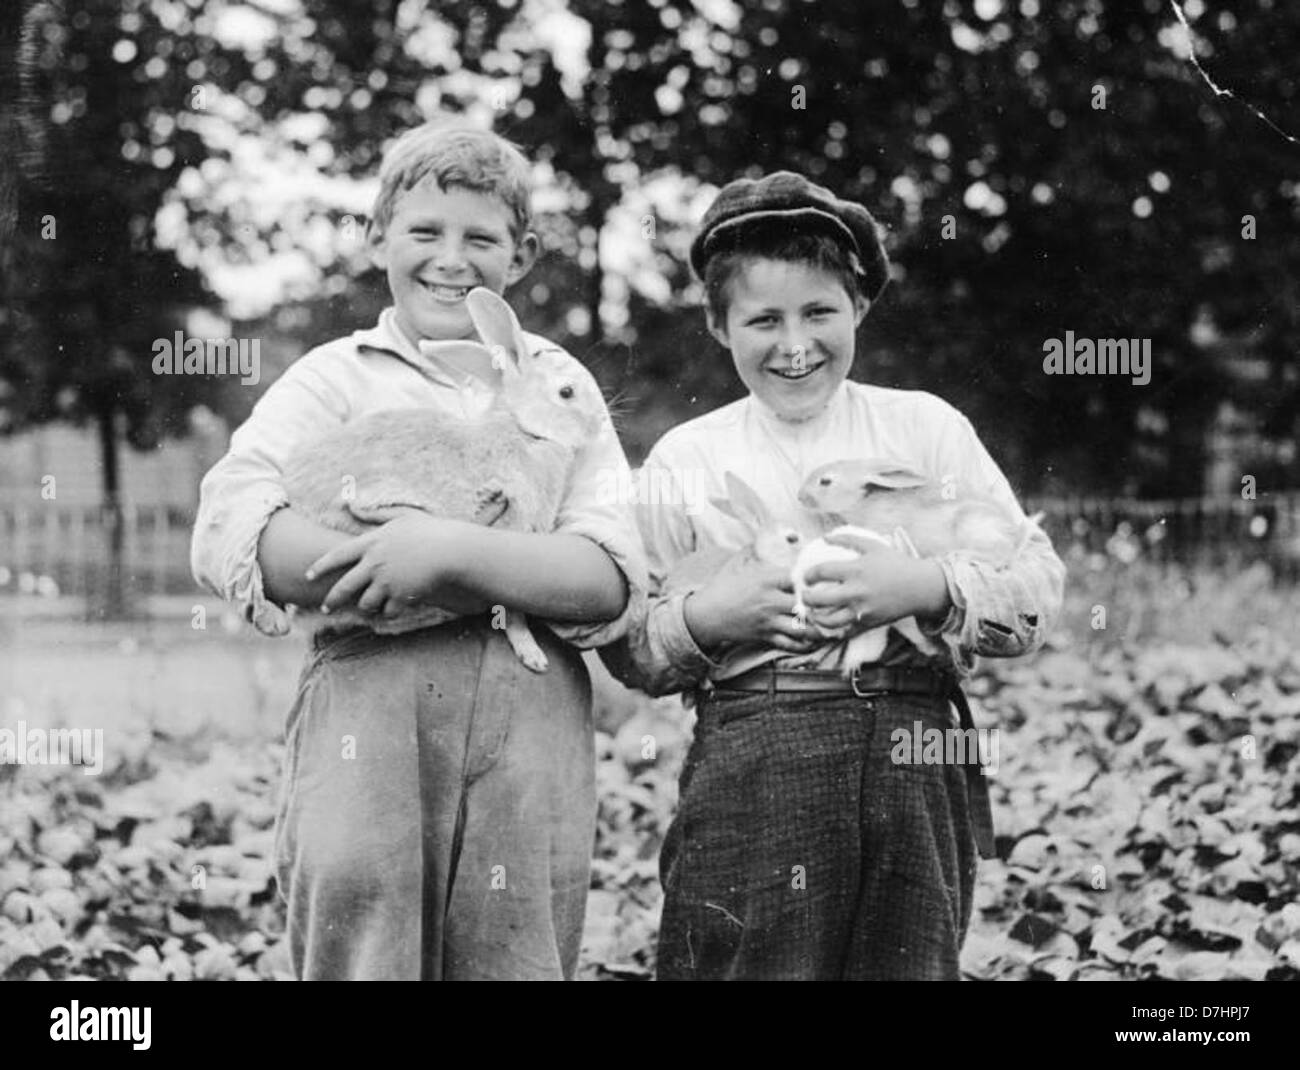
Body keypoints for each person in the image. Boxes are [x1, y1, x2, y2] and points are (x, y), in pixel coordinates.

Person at [191, 123, 645, 980]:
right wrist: (370, 567)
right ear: (377, 239)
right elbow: (232, 517)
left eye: (480, 238)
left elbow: (609, 571)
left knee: (516, 945)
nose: (450, 258)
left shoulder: (557, 385)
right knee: (366, 930)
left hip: (529, 713)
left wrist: (450, 557)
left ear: (523, 254)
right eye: (424, 233)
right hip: (371, 697)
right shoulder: (336, 376)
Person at [603, 170, 1065, 980]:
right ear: (719, 325)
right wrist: (713, 616)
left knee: (909, 957)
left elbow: (1034, 590)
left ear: (857, 306)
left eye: (819, 311)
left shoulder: (923, 427)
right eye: (762, 319)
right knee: (748, 957)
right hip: (757, 753)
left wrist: (925, 589)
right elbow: (629, 642)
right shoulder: (690, 457)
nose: (795, 344)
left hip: (916, 745)